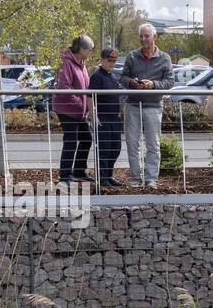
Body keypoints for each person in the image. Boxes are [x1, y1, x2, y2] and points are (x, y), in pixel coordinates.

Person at [120, 22, 174, 188]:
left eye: (147, 35)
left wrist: (153, 85)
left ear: (155, 37)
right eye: (141, 36)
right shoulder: (131, 56)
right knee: (132, 143)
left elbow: (170, 82)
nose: (143, 39)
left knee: (153, 144)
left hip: (153, 106)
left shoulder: (165, 58)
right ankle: (136, 178)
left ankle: (151, 179)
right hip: (133, 106)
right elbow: (122, 78)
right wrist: (131, 82)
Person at [51, 34, 95, 186]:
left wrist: (86, 106)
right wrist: (80, 103)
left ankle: (78, 171)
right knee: (71, 140)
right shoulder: (66, 63)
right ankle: (65, 176)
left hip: (79, 111)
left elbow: (85, 87)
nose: (91, 52)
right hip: (67, 109)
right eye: (90, 49)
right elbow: (64, 88)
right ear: (82, 49)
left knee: (86, 139)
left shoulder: (81, 64)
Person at [89, 47, 123, 186]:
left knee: (115, 148)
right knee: (104, 150)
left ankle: (108, 175)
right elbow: (89, 97)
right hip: (103, 119)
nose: (112, 63)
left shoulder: (113, 76)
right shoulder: (97, 76)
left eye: (114, 61)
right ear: (102, 60)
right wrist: (93, 116)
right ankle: (102, 178)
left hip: (114, 119)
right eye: (109, 60)